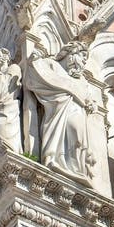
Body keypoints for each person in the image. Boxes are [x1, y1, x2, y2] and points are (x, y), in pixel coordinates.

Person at [27, 41, 95, 185]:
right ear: (71, 54)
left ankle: (77, 169)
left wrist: (91, 104)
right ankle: (55, 159)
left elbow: (88, 98)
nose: (84, 61)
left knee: (79, 139)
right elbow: (36, 75)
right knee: (71, 129)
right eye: (82, 56)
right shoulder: (52, 65)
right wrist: (34, 60)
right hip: (59, 110)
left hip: (78, 110)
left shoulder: (81, 80)